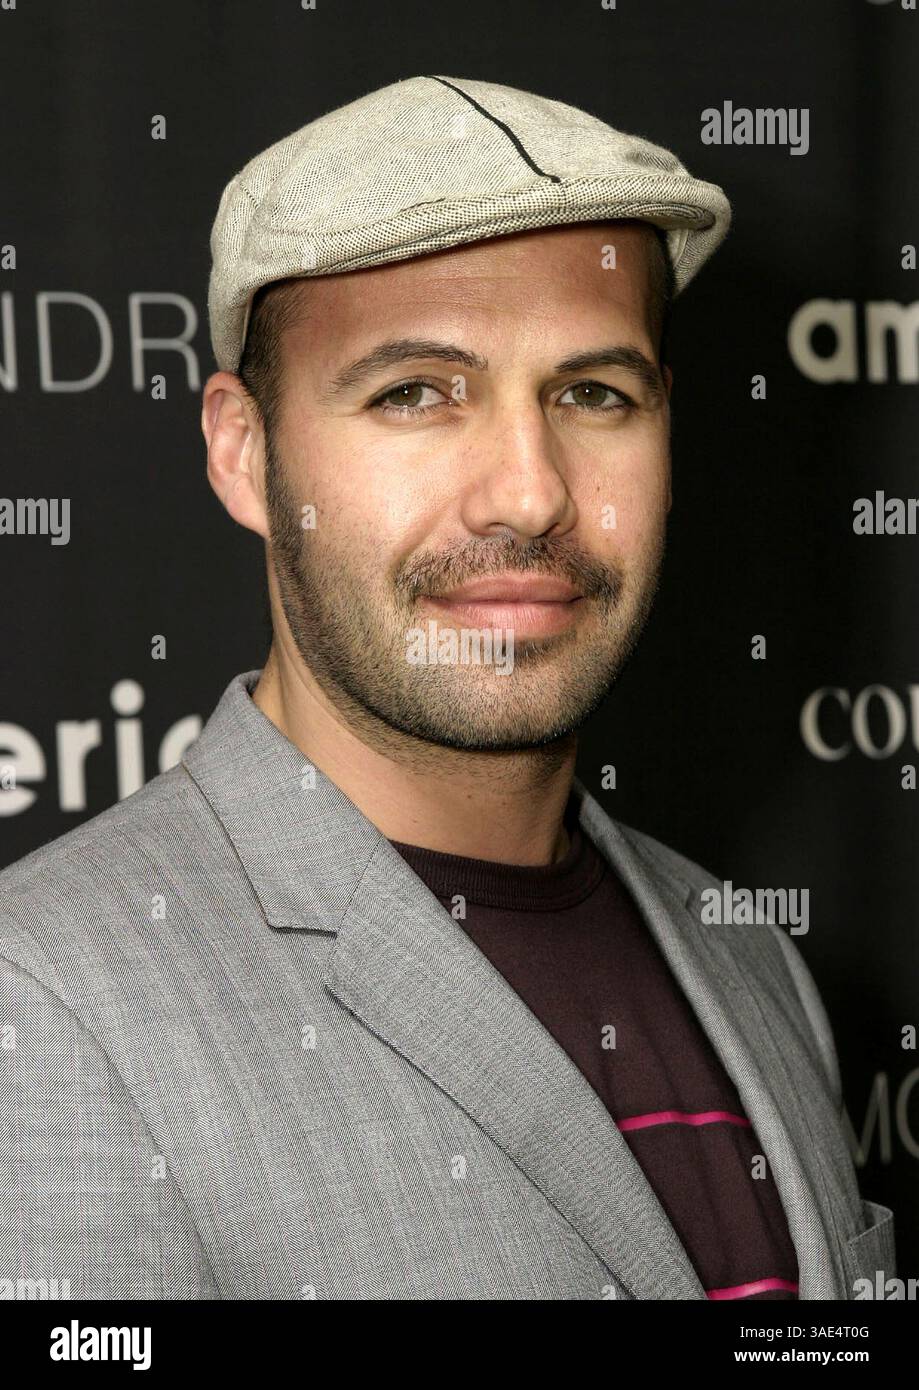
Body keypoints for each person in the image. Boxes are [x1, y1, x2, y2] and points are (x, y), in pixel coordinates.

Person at [0, 75, 893, 1300]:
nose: (527, 493)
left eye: (593, 393)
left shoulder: (747, 960)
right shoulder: (45, 1003)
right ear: (244, 453)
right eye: (414, 392)